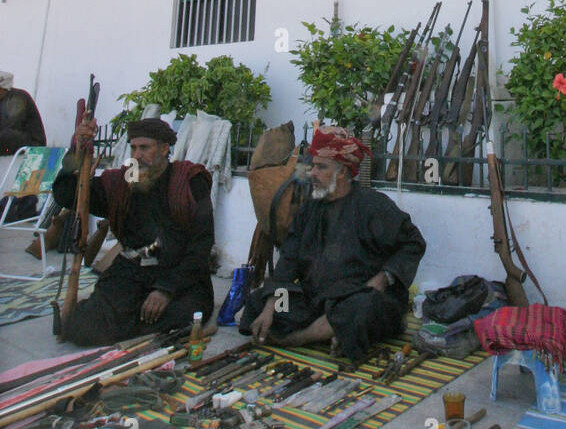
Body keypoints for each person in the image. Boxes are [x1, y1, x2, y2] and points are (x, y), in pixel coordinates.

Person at [240, 126, 426, 364]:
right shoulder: (309, 209)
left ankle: (300, 338)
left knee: (360, 310)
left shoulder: (373, 206)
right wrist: (271, 306)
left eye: (321, 167)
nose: (312, 173)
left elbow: (413, 243)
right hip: (316, 301)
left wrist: (383, 279)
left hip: (358, 297)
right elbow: (288, 262)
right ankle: (331, 332)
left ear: (341, 172)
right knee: (258, 303)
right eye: (312, 166)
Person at [52, 116, 214, 345]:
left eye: (144, 148)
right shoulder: (123, 182)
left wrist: (165, 290)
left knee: (185, 315)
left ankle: (134, 323)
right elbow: (67, 195)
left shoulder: (188, 182)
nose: (137, 155)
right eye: (133, 148)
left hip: (179, 275)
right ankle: (133, 322)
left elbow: (201, 245)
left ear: (164, 148)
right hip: (131, 272)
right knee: (82, 327)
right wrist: (75, 151)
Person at [0, 71, 47, 221]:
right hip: (13, 144)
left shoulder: (17, 98)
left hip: (31, 142)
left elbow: (11, 127)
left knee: (6, 135)